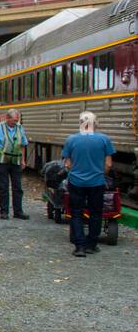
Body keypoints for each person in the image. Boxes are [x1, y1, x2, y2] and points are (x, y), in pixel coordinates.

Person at [62, 110, 115, 258]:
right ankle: (92, 245)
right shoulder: (104, 139)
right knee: (96, 213)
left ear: (80, 123)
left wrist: (76, 170)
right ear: (95, 123)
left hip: (76, 182)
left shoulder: (71, 139)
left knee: (76, 213)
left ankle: (79, 247)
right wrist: (100, 173)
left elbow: (67, 164)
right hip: (97, 182)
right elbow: (109, 164)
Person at [0, 109, 29, 219]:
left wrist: (23, 160)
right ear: (7, 118)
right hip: (1, 161)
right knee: (3, 187)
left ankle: (18, 211)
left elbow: (22, 145)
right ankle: (4, 211)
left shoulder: (19, 128)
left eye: (17, 120)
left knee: (17, 187)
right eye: (14, 120)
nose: (16, 122)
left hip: (16, 161)